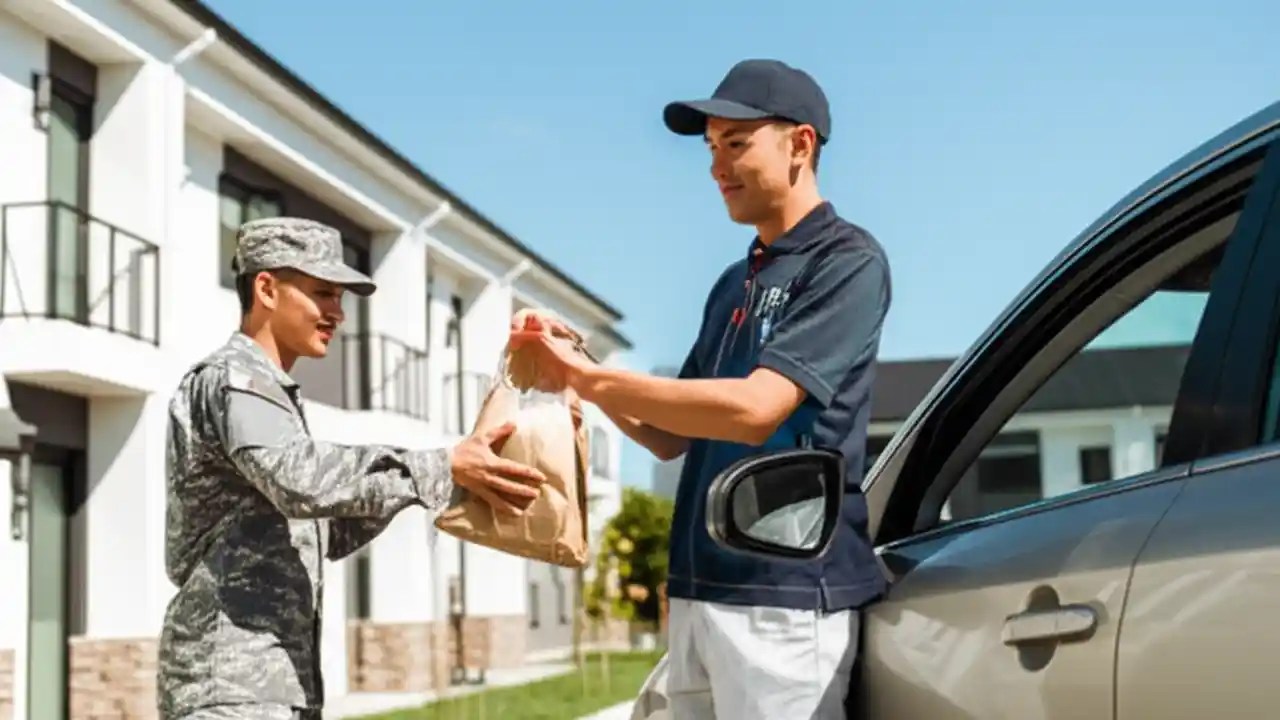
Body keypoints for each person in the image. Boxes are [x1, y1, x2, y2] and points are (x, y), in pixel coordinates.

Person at [513, 58, 891, 719]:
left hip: (785, 600)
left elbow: (755, 410)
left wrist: (592, 377)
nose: (716, 167)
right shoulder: (733, 281)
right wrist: (574, 361)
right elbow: (669, 437)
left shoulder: (847, 262)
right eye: (711, 147)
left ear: (800, 144)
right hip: (698, 589)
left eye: (736, 144)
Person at [159, 217, 547, 720]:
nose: (337, 313)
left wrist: (437, 478)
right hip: (231, 689)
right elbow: (299, 481)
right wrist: (439, 465)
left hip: (270, 685)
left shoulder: (271, 395)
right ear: (267, 288)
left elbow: (324, 533)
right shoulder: (235, 378)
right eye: (323, 293)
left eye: (339, 298)